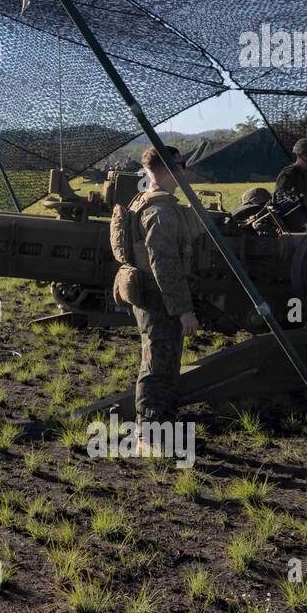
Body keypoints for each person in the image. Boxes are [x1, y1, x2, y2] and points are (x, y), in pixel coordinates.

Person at [128, 146, 201, 444]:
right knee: (158, 366)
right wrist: (184, 310)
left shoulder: (145, 200)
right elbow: (165, 265)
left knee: (162, 361)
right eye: (182, 166)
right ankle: (150, 435)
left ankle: (160, 428)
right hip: (161, 301)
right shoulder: (160, 211)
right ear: (175, 168)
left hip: (154, 297)